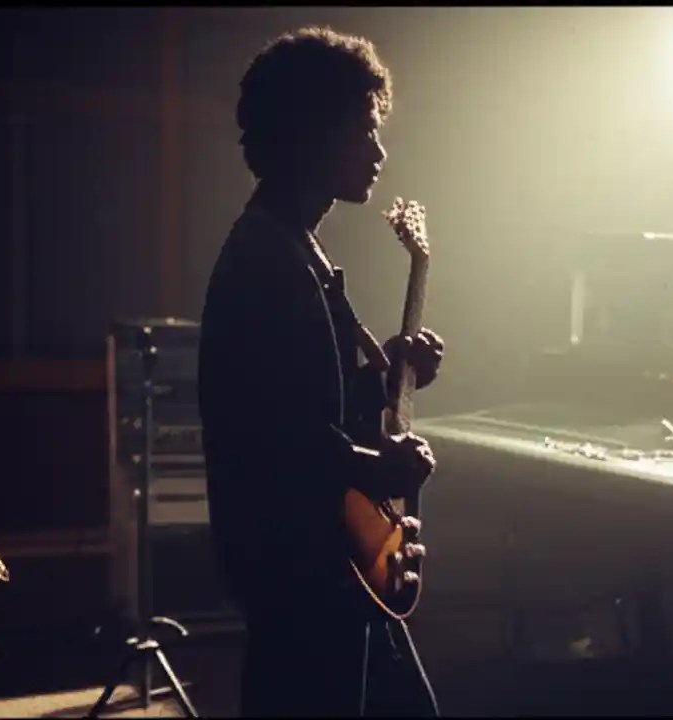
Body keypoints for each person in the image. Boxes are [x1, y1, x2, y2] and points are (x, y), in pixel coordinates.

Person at [197, 26, 445, 718]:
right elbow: (283, 440)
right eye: (365, 128)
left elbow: (306, 404)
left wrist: (387, 374)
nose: (379, 150)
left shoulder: (289, 247)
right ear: (316, 131)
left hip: (328, 563)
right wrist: (379, 470)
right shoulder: (269, 263)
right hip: (304, 571)